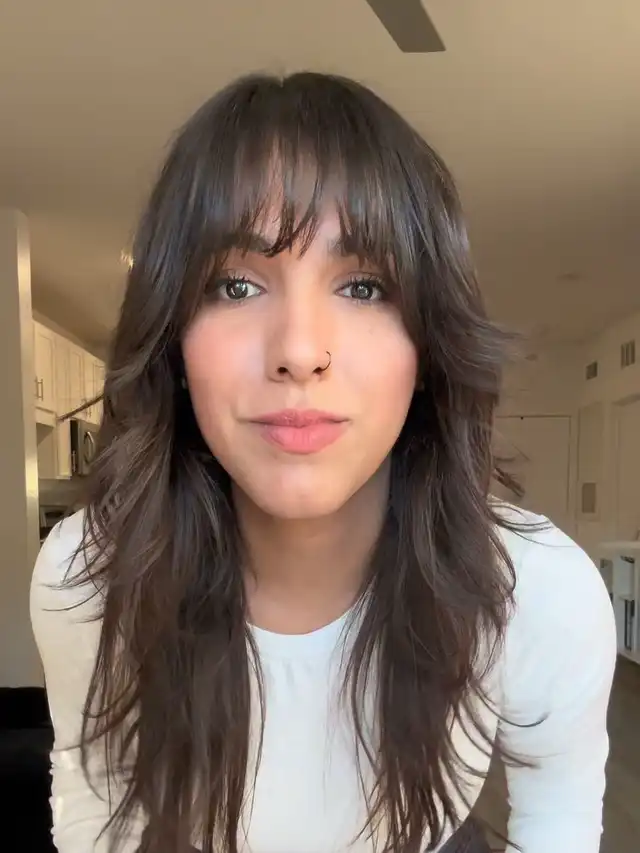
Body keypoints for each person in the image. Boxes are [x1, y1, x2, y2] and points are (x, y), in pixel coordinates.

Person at [31, 72, 616, 853]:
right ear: (172, 342)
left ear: (428, 346)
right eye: (236, 285)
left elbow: (559, 817)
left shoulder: (537, 589)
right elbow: (93, 800)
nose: (301, 350)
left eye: (364, 286)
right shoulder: (87, 575)